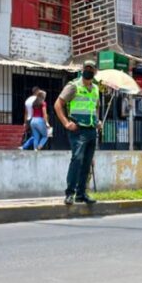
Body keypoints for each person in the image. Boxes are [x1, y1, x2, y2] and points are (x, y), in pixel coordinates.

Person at [56, 60, 101, 205]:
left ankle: (81, 194)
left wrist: (97, 121)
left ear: (95, 71)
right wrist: (66, 123)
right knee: (77, 159)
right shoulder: (73, 86)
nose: (88, 71)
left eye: (91, 69)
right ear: (82, 69)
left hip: (91, 130)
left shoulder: (96, 88)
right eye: (86, 68)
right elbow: (58, 104)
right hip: (78, 130)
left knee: (87, 163)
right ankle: (70, 193)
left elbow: (95, 107)